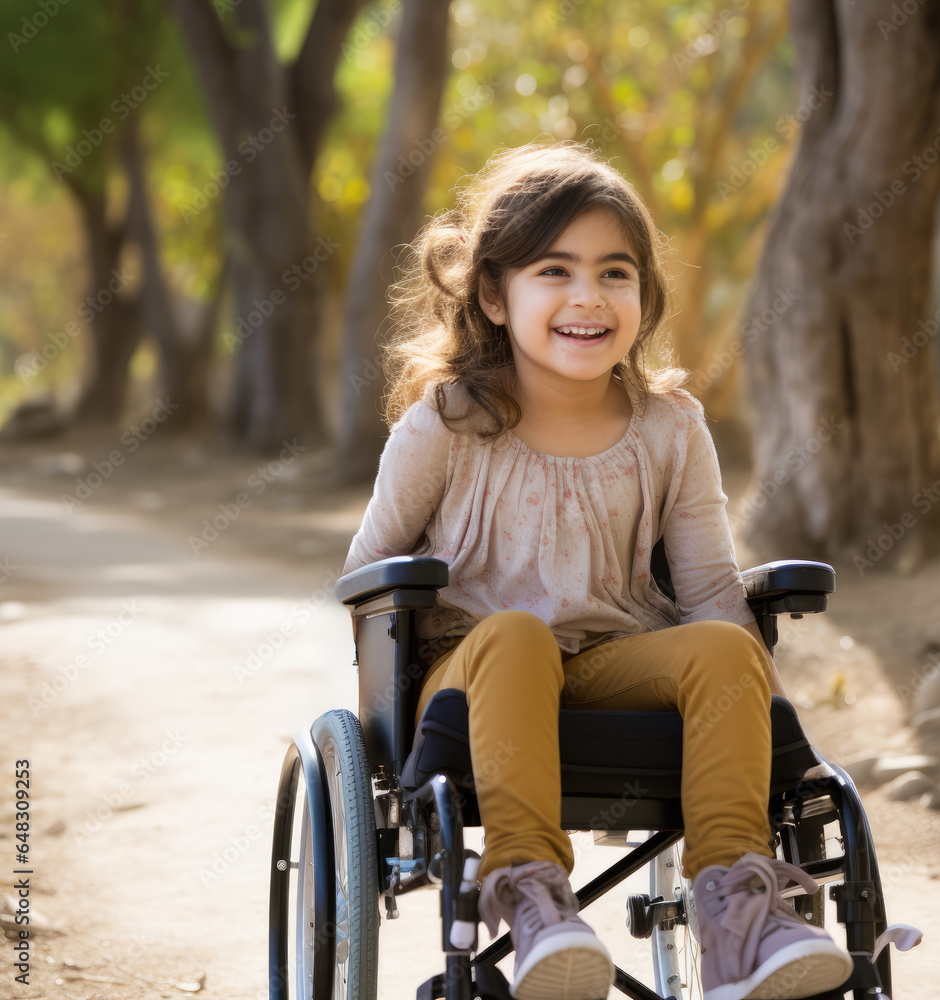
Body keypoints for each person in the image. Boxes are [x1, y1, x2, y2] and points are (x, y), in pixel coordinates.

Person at [342, 140, 853, 1000]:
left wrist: (779, 738)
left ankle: (737, 909)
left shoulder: (671, 430)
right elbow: (364, 577)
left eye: (615, 273)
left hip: (615, 666)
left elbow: (708, 592)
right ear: (497, 296)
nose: (588, 297)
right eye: (555, 270)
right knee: (516, 635)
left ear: (644, 297)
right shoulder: (446, 423)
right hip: (475, 672)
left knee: (724, 649)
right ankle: (532, 893)